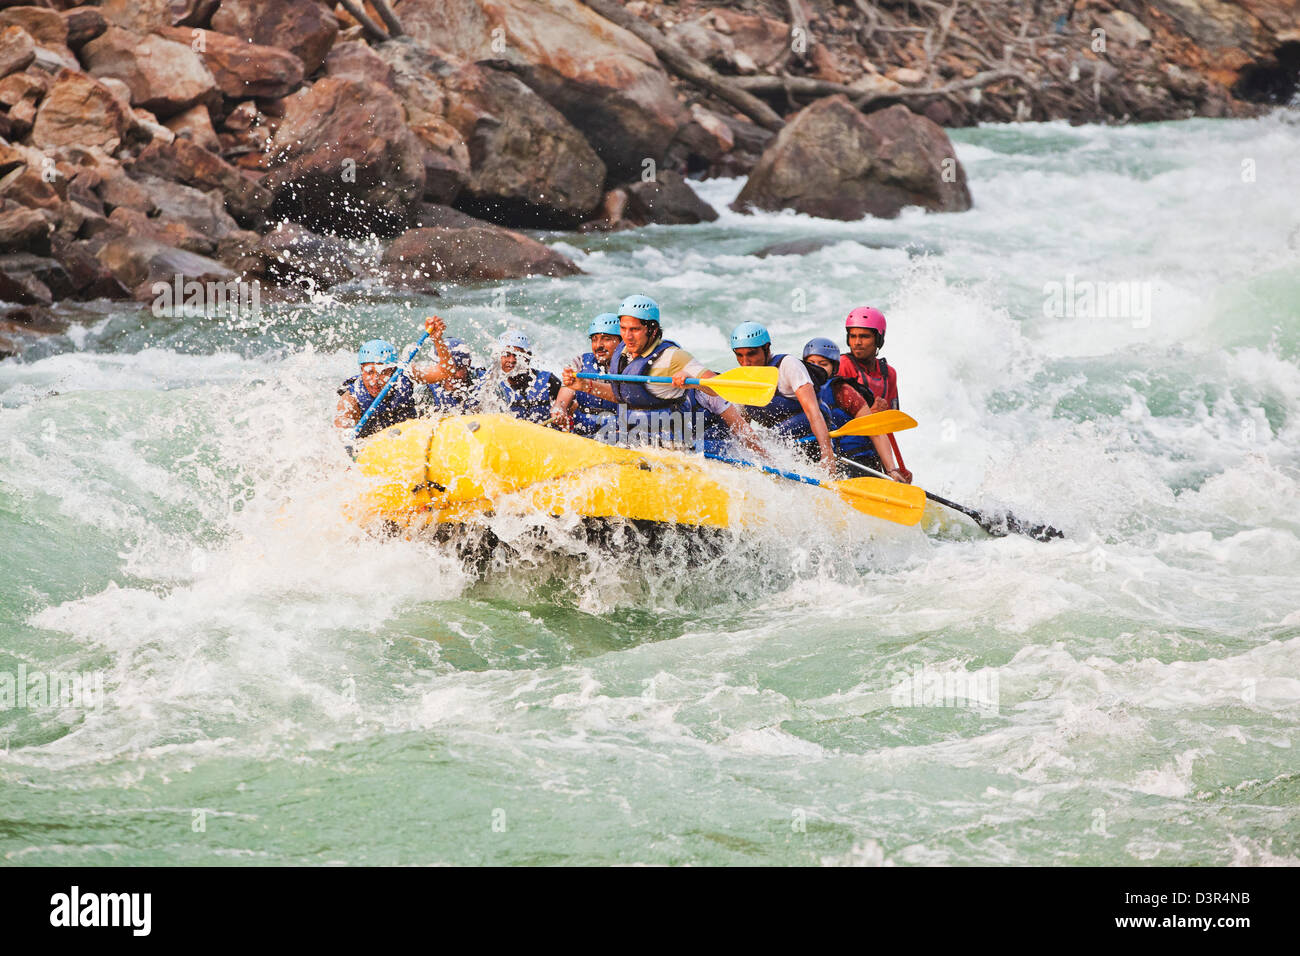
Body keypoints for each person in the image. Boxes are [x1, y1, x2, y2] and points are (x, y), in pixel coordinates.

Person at [560, 294, 766, 455]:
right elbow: (624, 396)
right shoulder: (623, 355)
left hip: (672, 446)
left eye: (635, 330)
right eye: (623, 328)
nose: (628, 336)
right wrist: (585, 386)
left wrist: (693, 382)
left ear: (652, 329)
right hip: (636, 439)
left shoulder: (673, 357)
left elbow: (715, 387)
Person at [729, 321, 836, 474]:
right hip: (783, 439)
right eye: (739, 355)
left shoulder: (788, 365)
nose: (745, 362)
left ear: (766, 348)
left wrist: (828, 456)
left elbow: (813, 412)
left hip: (812, 427)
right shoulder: (743, 378)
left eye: (751, 354)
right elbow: (742, 427)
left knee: (769, 438)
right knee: (756, 439)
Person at [334, 315, 463, 440]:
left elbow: (447, 372)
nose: (375, 381)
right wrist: (347, 438)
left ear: (394, 370)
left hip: (410, 438)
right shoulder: (351, 398)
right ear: (361, 370)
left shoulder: (405, 372)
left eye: (384, 372)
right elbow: (342, 436)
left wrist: (437, 340)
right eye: (369, 372)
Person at [803, 337, 909, 483]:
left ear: (834, 368)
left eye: (823, 364)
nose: (816, 368)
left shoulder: (843, 391)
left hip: (858, 462)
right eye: (811, 363)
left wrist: (891, 469)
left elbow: (875, 431)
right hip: (821, 462)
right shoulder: (797, 390)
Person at [837, 307, 912, 482]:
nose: (857, 342)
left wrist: (898, 467)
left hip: (873, 451)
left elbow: (888, 427)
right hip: (847, 449)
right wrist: (871, 412)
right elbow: (834, 418)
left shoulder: (889, 374)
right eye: (853, 336)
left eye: (864, 336)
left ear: (878, 339)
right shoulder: (843, 365)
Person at [466, 330, 560, 424]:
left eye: (517, 355)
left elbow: (570, 405)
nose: (512, 360)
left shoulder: (548, 381)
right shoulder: (488, 384)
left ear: (528, 357)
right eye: (506, 355)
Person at [550, 312, 620, 435]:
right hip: (582, 432)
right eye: (594, 339)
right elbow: (561, 401)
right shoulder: (580, 363)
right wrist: (559, 410)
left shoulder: (630, 367)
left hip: (616, 434)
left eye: (606, 339)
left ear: (621, 341)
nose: (599, 345)